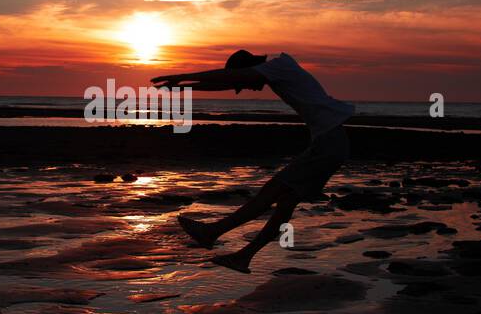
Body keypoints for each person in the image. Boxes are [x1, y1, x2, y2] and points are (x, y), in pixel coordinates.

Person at [150, 50, 354, 272]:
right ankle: (243, 257)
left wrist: (182, 77)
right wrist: (183, 87)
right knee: (285, 202)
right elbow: (227, 83)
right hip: (332, 144)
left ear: (247, 68)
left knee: (270, 193)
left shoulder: (278, 66)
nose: (246, 88)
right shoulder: (279, 69)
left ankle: (212, 232)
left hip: (328, 144)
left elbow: (227, 78)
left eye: (244, 82)